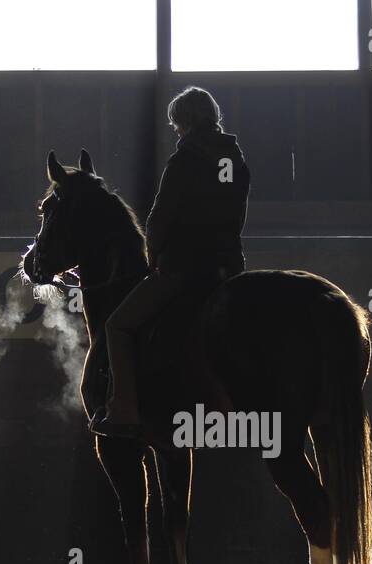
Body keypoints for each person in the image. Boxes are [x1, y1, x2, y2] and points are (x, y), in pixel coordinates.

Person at [89, 87, 251, 438]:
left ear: (187, 121)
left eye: (177, 124)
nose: (176, 131)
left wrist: (153, 257)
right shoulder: (235, 161)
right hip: (228, 267)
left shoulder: (185, 160)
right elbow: (236, 217)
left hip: (186, 268)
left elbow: (160, 218)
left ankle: (125, 409)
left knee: (118, 327)